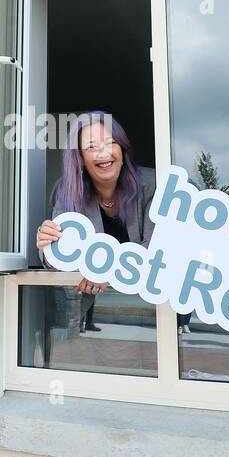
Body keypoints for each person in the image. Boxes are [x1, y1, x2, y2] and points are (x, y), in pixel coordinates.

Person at [35, 112, 158, 333]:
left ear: (123, 149)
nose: (104, 153)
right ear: (79, 158)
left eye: (111, 143)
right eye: (91, 147)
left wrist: (104, 269)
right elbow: (59, 258)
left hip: (158, 313)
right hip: (96, 315)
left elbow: (154, 251)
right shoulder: (67, 191)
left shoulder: (153, 185)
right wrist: (47, 244)